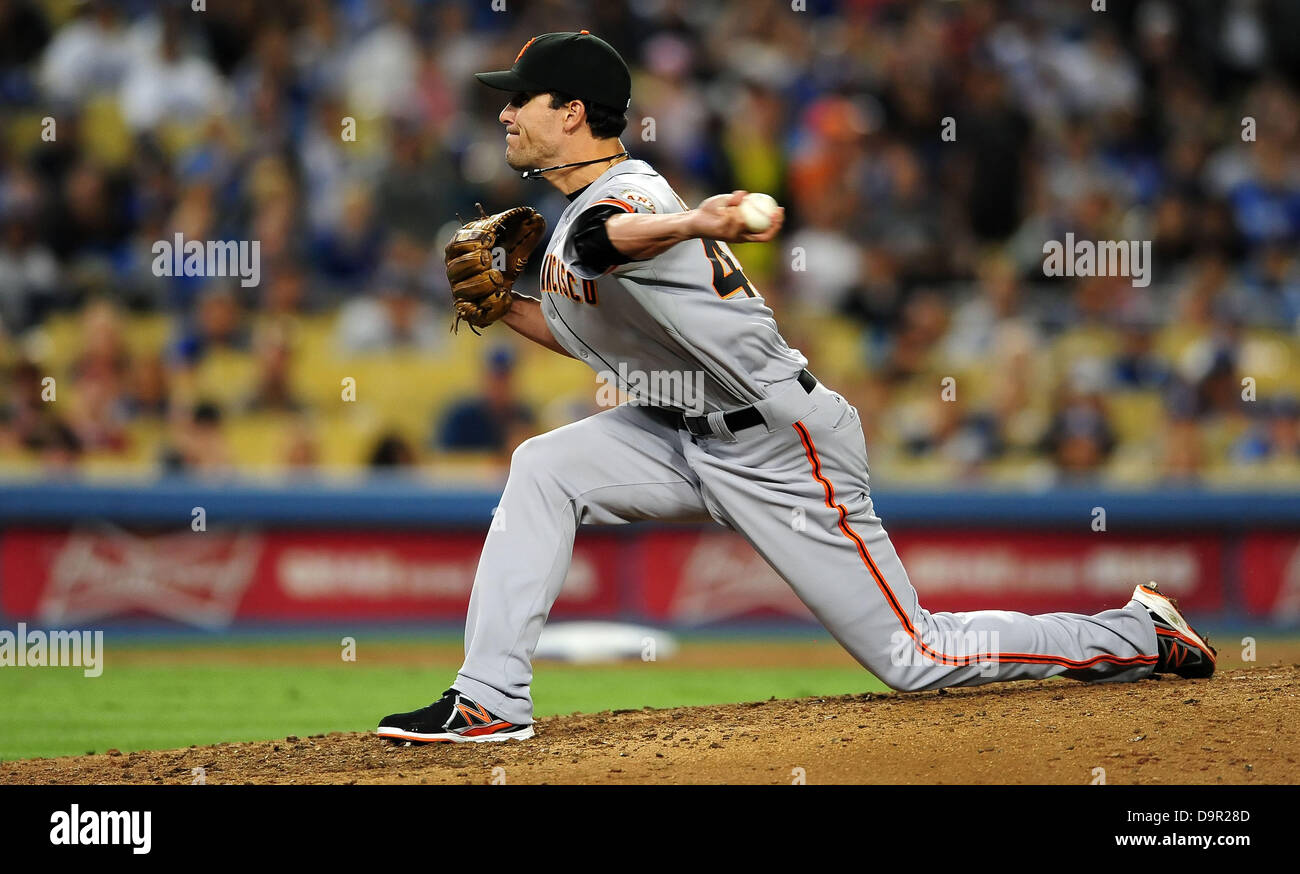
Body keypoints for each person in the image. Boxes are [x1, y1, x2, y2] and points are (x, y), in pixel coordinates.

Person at [378, 32, 1215, 745]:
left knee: (914, 658)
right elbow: (580, 326)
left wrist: (699, 221)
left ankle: (1137, 631)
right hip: (676, 431)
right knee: (544, 468)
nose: (504, 113)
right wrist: (506, 310)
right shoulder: (576, 224)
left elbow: (614, 240)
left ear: (571, 113)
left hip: (780, 442)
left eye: (521, 99)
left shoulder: (623, 198)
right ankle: (489, 699)